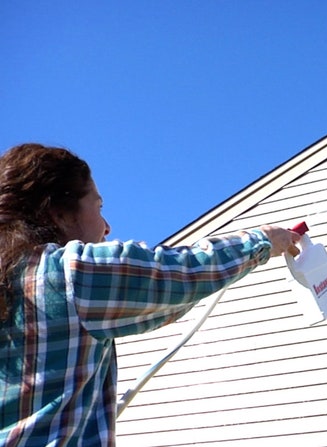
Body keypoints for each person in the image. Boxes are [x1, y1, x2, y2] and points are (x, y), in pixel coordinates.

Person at [0, 143, 301, 446]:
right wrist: (262, 242)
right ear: (61, 215)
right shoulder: (70, 274)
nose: (107, 227)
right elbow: (182, 271)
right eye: (99, 207)